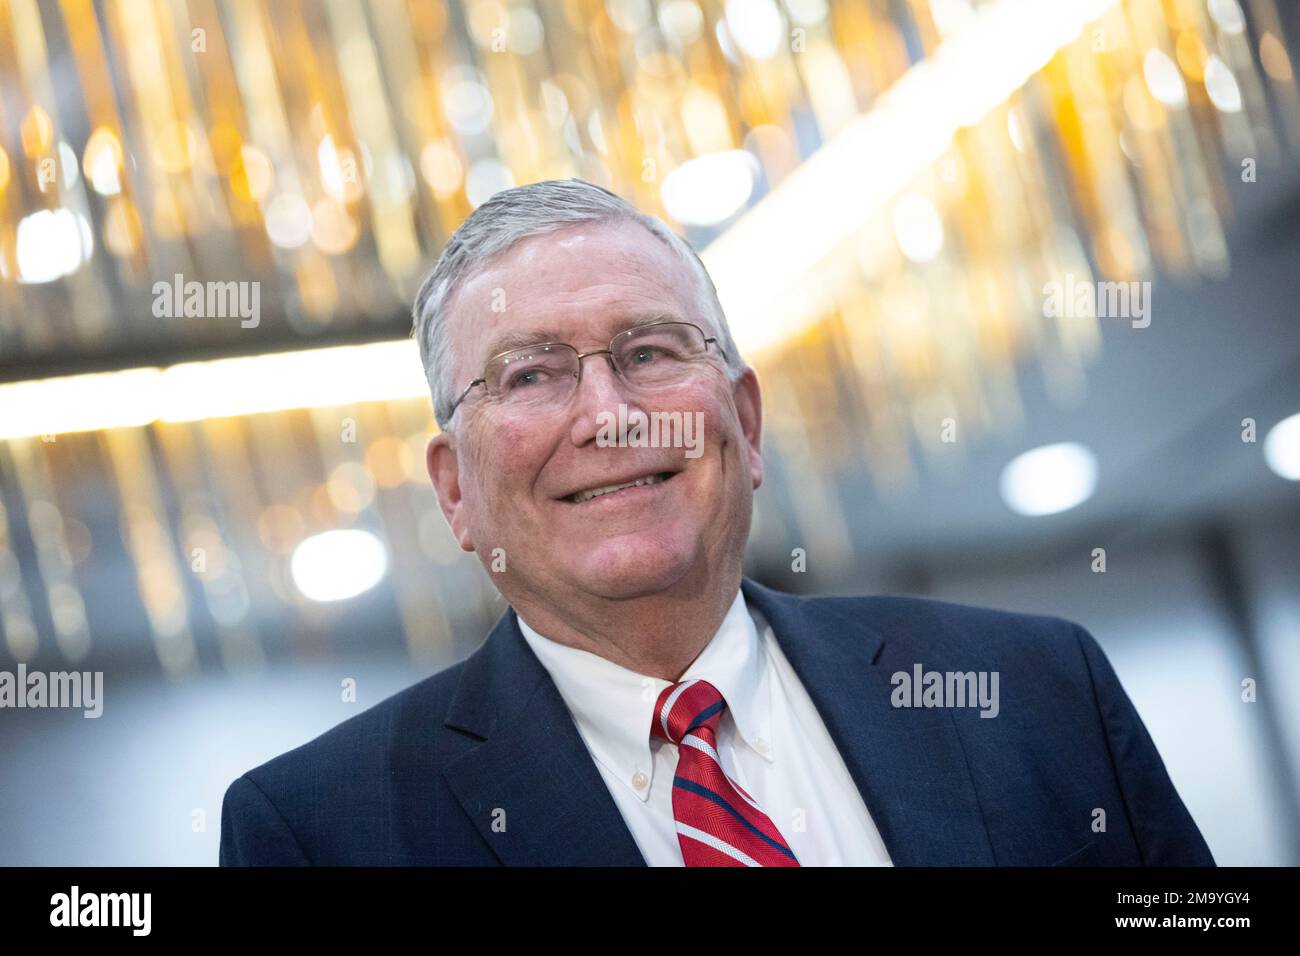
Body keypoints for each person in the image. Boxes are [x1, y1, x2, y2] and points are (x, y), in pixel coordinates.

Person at [220, 179, 1214, 866]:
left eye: (649, 350)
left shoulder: (1038, 689)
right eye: (529, 374)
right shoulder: (319, 830)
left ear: (742, 418)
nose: (610, 411)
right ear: (454, 490)